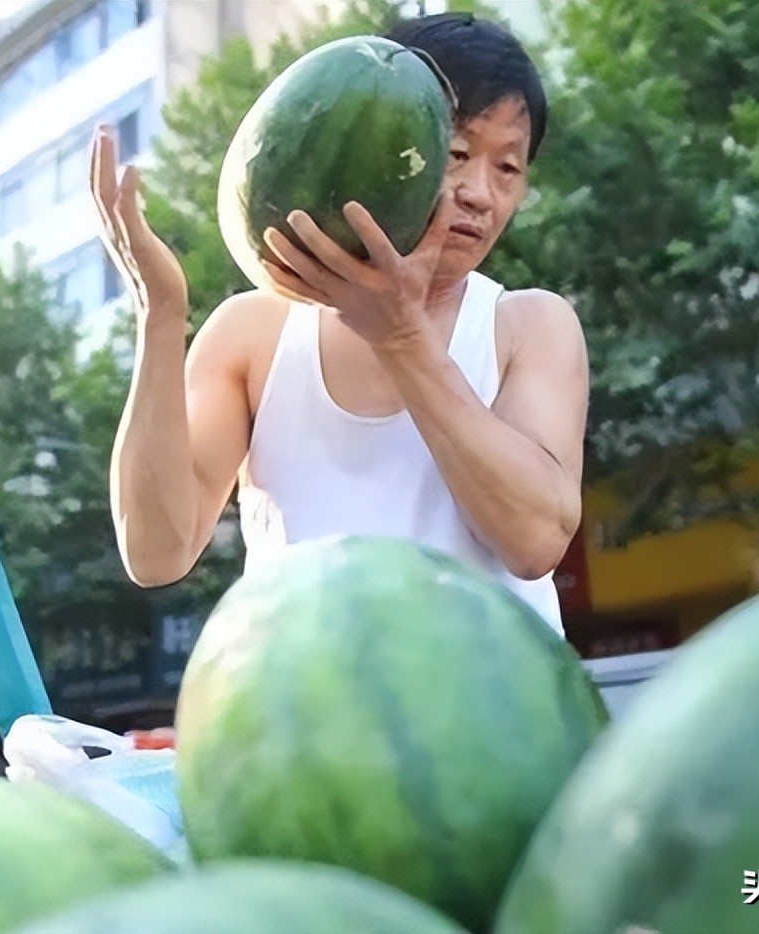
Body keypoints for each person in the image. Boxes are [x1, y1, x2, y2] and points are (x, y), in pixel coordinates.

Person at [92, 12, 587, 635]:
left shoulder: (529, 325)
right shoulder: (252, 334)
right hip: (303, 697)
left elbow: (536, 539)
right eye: (458, 153)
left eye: (508, 168)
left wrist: (401, 337)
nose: (480, 194)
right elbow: (155, 553)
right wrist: (161, 315)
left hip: (492, 699)